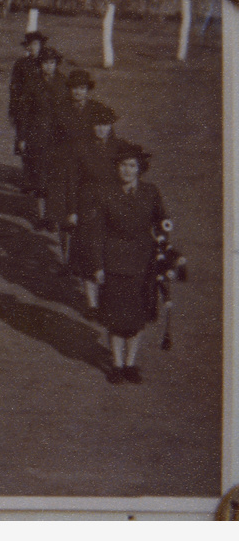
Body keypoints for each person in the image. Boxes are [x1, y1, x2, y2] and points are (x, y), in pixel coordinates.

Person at [86, 145, 167, 385]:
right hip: (115, 264)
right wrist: (98, 266)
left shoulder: (151, 192)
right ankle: (116, 365)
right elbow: (96, 233)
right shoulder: (105, 193)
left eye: (132, 165)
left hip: (144, 264)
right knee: (116, 318)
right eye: (123, 165)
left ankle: (130, 364)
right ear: (116, 168)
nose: (127, 170)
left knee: (137, 317)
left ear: (140, 169)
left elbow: (162, 222)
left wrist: (163, 247)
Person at [66, 103, 128, 311]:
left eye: (106, 125)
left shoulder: (119, 148)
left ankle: (108, 298)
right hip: (88, 206)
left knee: (111, 252)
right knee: (88, 253)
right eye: (98, 125)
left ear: (111, 126)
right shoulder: (81, 147)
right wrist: (73, 210)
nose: (102, 129)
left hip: (113, 207)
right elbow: (73, 180)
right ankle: (92, 304)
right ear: (91, 126)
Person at [19, 46, 68, 231]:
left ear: (56, 64)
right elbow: (23, 112)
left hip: (57, 136)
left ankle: (53, 217)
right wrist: (22, 137)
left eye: (52, 63)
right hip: (37, 135)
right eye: (45, 63)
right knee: (39, 176)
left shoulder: (63, 82)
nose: (49, 67)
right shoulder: (32, 83)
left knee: (55, 177)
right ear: (40, 64)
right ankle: (41, 217)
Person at [9, 31, 48, 163]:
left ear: (41, 45)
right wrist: (14, 108)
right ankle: (27, 175)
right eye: (30, 45)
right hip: (26, 108)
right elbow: (14, 87)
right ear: (27, 47)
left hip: (43, 108)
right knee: (25, 141)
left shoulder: (47, 63)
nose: (33, 47)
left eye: (36, 44)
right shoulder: (21, 64)